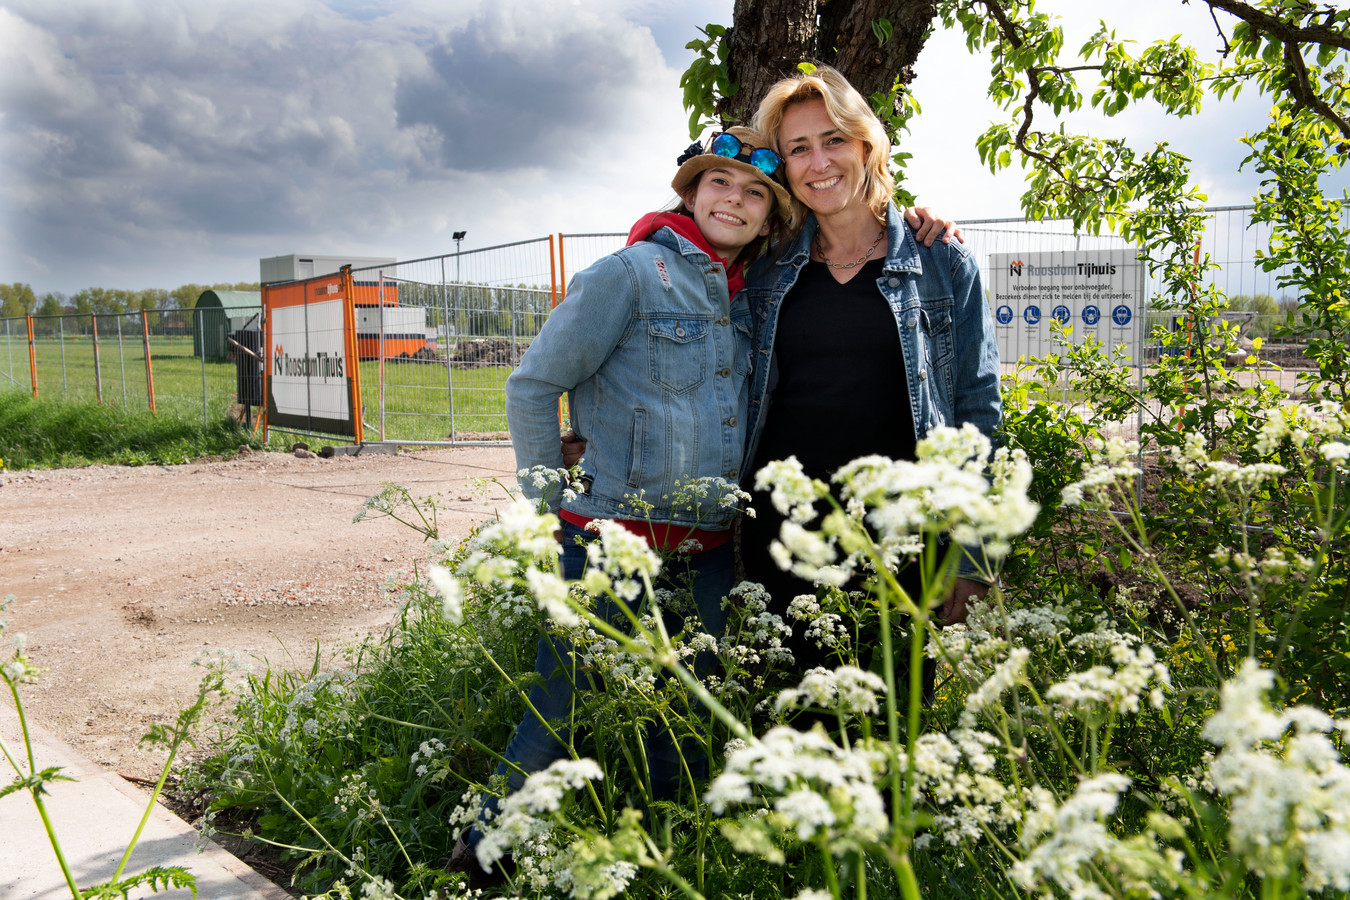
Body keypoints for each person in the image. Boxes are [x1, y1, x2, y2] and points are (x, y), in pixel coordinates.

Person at [450, 126, 792, 876]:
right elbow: (532, 385)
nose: (734, 199)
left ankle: (668, 862)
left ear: (770, 216)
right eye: (719, 183)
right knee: (559, 710)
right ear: (691, 193)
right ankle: (476, 862)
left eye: (755, 191)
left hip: (703, 556)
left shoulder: (752, 298)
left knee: (685, 719)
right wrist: (547, 509)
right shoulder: (632, 274)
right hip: (605, 546)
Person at [739, 64, 1002, 673]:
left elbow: (977, 409)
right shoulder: (765, 271)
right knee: (792, 738)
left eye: (833, 139)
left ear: (867, 144)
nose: (819, 162)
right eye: (797, 148)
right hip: (783, 537)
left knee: (891, 739)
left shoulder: (942, 264)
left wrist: (974, 553)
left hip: (903, 540)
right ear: (783, 166)